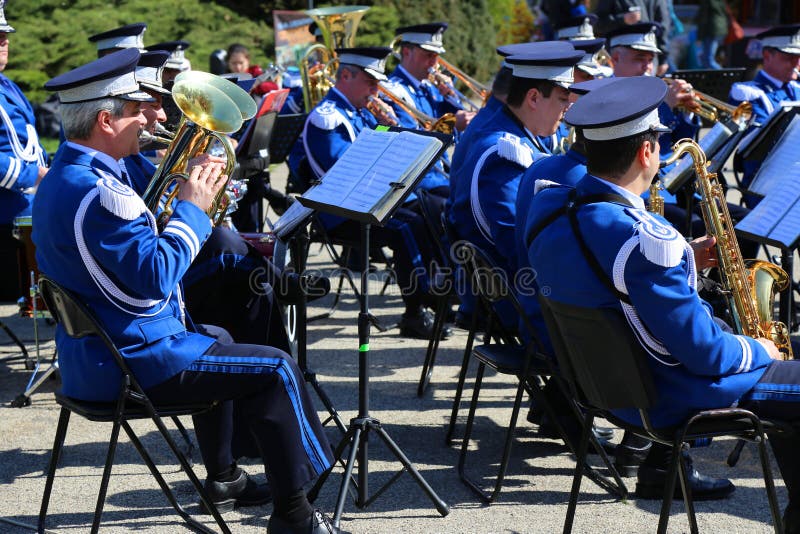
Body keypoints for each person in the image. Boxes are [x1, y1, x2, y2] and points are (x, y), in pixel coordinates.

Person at [34, 48, 339, 534]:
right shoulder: (99, 191)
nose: (156, 116)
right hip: (131, 365)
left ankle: (226, 476)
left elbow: (120, 260)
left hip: (94, 356)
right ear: (107, 121)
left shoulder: (69, 174)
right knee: (276, 367)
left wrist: (183, 211)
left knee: (216, 332)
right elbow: (154, 276)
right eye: (141, 109)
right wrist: (193, 210)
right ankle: (297, 513)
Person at [523, 75, 800, 510]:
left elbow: (600, 270)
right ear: (646, 151)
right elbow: (707, 356)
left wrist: (682, 258)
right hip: (671, 395)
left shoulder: (551, 206)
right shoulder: (647, 240)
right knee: (784, 356)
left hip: (610, 390)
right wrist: (761, 348)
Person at [299, 46, 449, 340]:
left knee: (428, 209)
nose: (376, 91)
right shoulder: (327, 118)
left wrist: (394, 125)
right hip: (340, 209)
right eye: (370, 83)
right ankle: (416, 311)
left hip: (371, 200)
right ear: (345, 75)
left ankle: (438, 292)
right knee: (408, 227)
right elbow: (344, 174)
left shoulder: (361, 111)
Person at [447, 43, 583, 328]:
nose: (568, 109)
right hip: (513, 300)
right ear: (533, 97)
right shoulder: (503, 154)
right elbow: (516, 243)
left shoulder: (512, 134)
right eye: (562, 99)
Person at [0, 1, 48, 301]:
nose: (4, 42)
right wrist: (36, 175)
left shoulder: (8, 86)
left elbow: (29, 142)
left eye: (4, 36)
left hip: (27, 208)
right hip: (6, 215)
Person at [728, 24, 800, 198]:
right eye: (789, 57)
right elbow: (760, 145)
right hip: (766, 182)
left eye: (799, 57)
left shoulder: (796, 89)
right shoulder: (748, 93)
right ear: (767, 56)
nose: (796, 63)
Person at [385, 22, 474, 134]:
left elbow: (455, 120)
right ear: (406, 52)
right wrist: (452, 125)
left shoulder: (431, 86)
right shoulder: (392, 91)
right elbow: (408, 137)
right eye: (428, 55)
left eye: (436, 56)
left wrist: (451, 96)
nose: (434, 62)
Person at [594, 0, 671, 75]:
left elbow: (663, 27)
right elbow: (597, 24)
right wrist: (622, 19)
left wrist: (662, 59)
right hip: (621, 52)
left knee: (646, 84)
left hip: (651, 50)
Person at [696, 0, 728, 69]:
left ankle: (724, 76)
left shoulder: (707, 2)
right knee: (709, 58)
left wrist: (699, 37)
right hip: (721, 29)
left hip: (711, 30)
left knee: (708, 59)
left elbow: (703, 18)